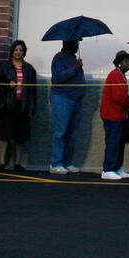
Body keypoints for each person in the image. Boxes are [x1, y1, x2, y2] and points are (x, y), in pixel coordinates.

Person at [0, 40, 37, 170]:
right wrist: (6, 85)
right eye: (16, 50)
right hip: (7, 104)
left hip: (23, 105)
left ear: (24, 52)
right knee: (4, 134)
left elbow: (33, 90)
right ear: (12, 51)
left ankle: (17, 163)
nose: (18, 52)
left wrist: (32, 107)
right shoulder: (3, 66)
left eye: (21, 50)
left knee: (20, 136)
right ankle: (1, 162)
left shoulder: (29, 69)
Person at [49, 39, 86, 174]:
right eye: (76, 43)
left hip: (76, 99)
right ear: (68, 44)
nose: (78, 45)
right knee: (60, 132)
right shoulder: (59, 58)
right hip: (62, 98)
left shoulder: (73, 59)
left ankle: (67, 162)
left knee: (72, 133)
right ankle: (56, 163)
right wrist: (74, 68)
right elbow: (57, 78)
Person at [101, 50, 129, 180]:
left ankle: (117, 167)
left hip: (118, 114)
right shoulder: (115, 75)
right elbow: (119, 97)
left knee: (119, 142)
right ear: (119, 63)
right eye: (126, 61)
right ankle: (108, 169)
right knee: (113, 142)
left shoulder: (120, 75)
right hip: (112, 115)